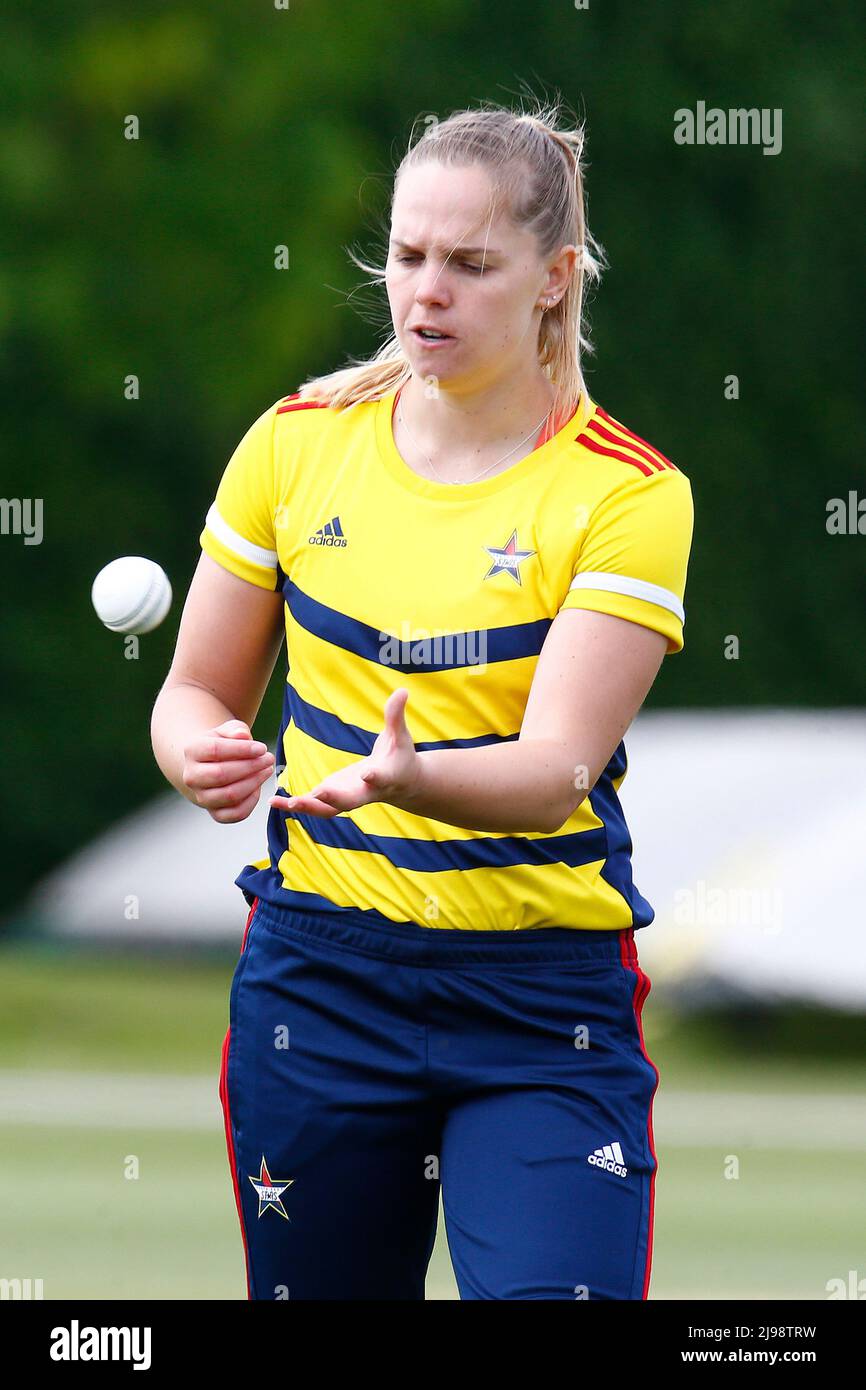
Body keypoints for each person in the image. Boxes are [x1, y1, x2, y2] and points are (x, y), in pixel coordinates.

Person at [150, 99, 694, 1301]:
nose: (423, 293)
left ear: (553, 279)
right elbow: (194, 690)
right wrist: (199, 755)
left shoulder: (628, 495)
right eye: (404, 256)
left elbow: (555, 770)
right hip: (320, 980)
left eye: (468, 263)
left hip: (537, 996)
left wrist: (412, 778)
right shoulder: (296, 443)